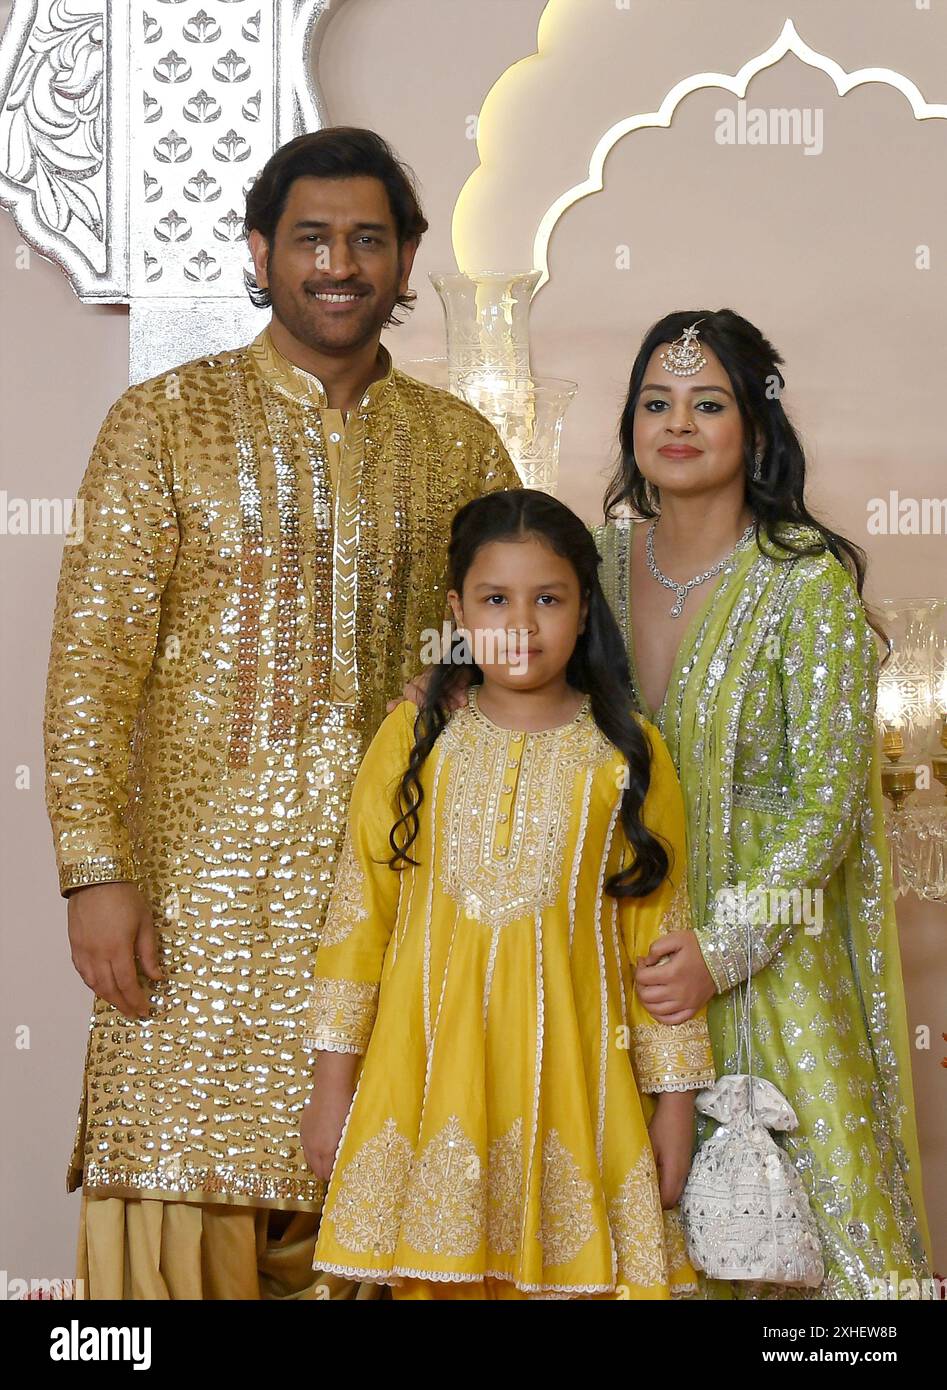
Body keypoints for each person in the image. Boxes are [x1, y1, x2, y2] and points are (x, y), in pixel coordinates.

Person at [42, 126, 519, 1300]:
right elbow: (93, 669)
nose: (338, 263)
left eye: (368, 239)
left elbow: (518, 659)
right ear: (260, 253)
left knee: (392, 1196)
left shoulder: (458, 445)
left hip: (400, 904)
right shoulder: (162, 423)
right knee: (173, 1205)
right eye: (311, 237)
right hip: (195, 913)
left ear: (407, 263)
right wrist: (95, 870)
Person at [300, 489, 716, 1299]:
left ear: (583, 606)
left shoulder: (628, 759)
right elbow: (357, 921)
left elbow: (657, 942)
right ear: (456, 610)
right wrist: (330, 1089)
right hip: (422, 1081)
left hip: (579, 1082)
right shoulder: (414, 738)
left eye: (547, 600)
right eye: (495, 600)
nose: (520, 627)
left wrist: (673, 1109)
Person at [593, 308, 932, 1298]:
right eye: (655, 402)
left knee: (827, 1257)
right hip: (615, 954)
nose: (677, 422)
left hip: (765, 964)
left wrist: (718, 951)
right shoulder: (593, 568)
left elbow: (824, 803)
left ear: (756, 427)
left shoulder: (801, 578)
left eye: (708, 402)